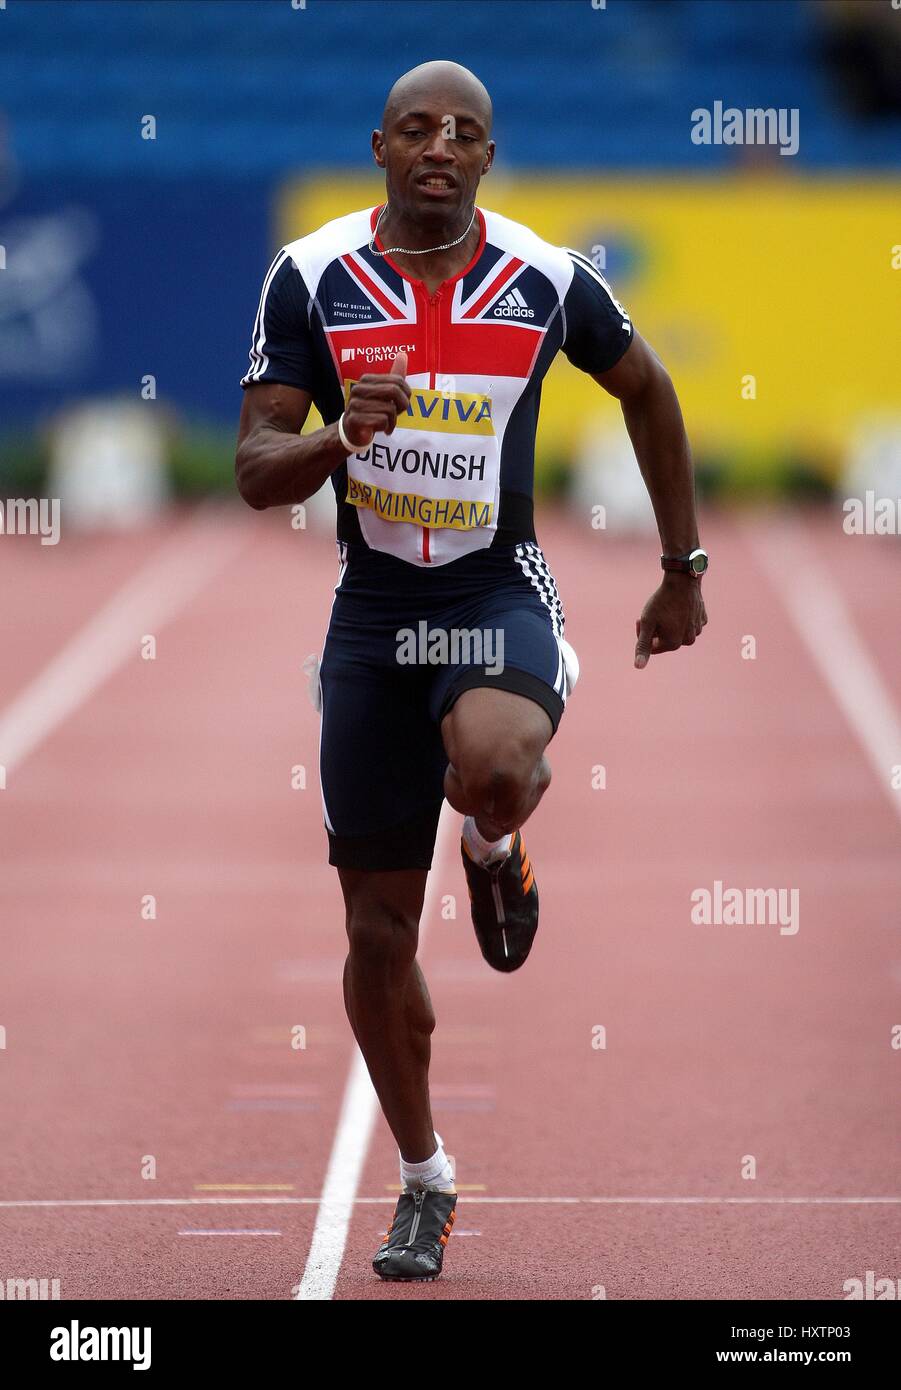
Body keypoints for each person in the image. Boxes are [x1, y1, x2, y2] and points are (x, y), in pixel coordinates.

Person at [235, 60, 707, 1283]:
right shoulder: (315, 275)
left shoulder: (546, 280)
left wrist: (683, 564)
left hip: (496, 590)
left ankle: (497, 846)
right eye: (416, 130)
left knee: (494, 765)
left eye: (465, 132)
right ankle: (425, 1178)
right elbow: (253, 465)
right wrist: (341, 435)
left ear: (489, 157)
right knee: (379, 933)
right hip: (374, 614)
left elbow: (647, 391)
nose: (440, 146)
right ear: (379, 147)